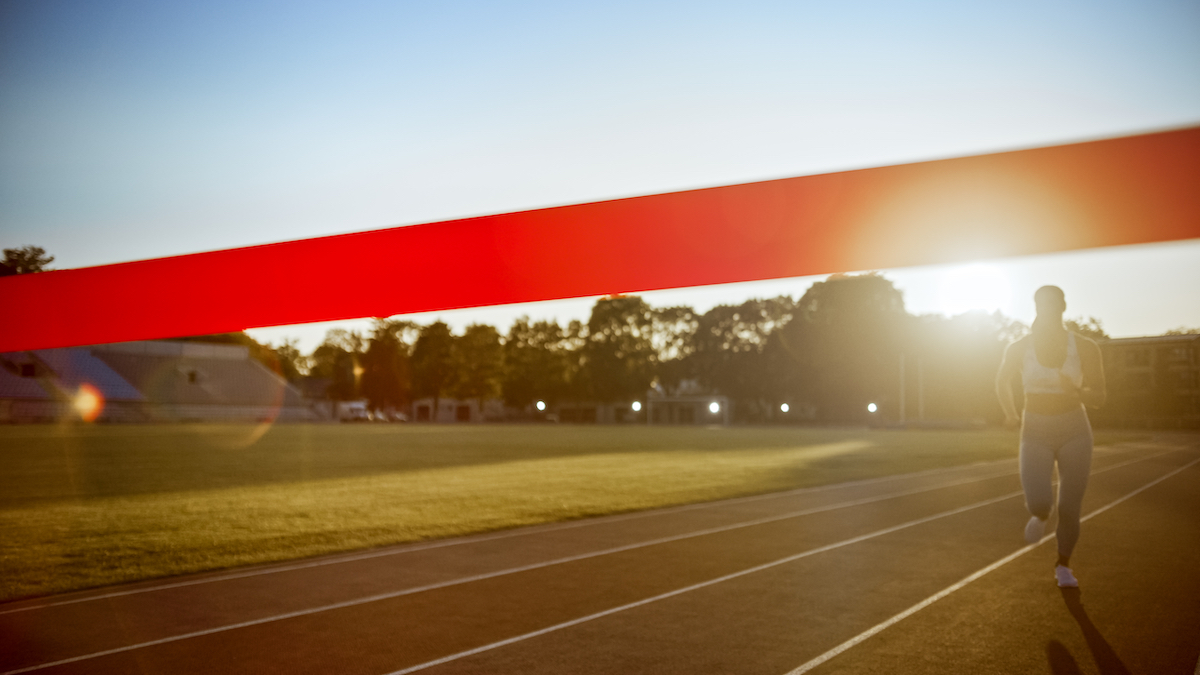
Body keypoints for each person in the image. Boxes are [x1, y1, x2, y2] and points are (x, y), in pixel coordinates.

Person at [995, 286, 1106, 588]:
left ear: (1063, 307)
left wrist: (1077, 390)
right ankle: (1040, 516)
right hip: (1035, 429)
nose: (1047, 310)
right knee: (1040, 502)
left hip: (1074, 429)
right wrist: (1010, 413)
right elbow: (1002, 381)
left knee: (1070, 507)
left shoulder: (1085, 346)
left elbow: (1100, 397)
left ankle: (1063, 565)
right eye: (1042, 305)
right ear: (1035, 308)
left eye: (1053, 304)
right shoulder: (1019, 347)